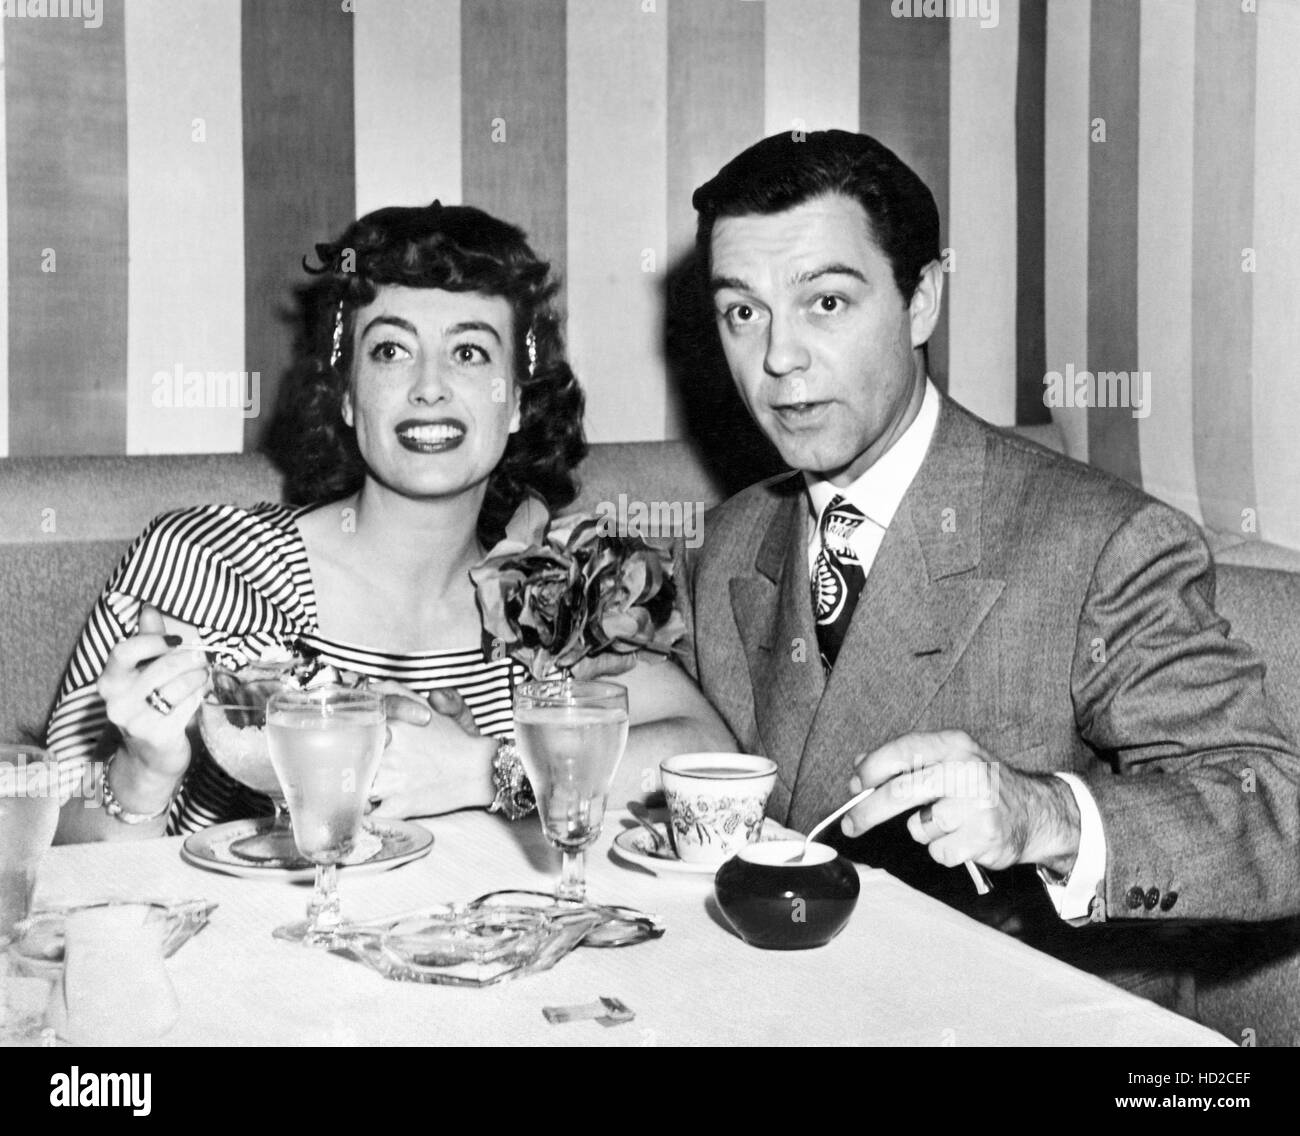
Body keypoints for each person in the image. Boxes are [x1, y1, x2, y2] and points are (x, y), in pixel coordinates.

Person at [681, 130, 1300, 989]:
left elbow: (1277, 809)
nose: (779, 357)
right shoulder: (729, 542)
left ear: (923, 300)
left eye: (825, 302)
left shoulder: (1098, 542)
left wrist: (1044, 814)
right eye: (743, 312)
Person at [49, 200, 734, 843]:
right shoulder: (205, 566)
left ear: (518, 403)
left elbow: (704, 757)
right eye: (391, 351)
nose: (429, 385)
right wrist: (145, 767)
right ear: (347, 397)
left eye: (469, 353)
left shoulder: (560, 596)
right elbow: (46, 854)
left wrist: (484, 772)